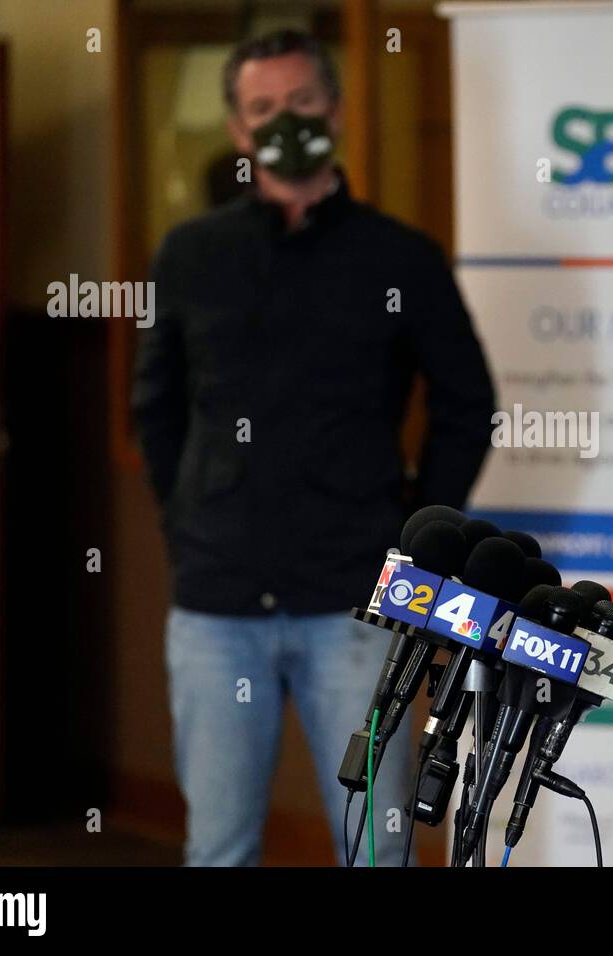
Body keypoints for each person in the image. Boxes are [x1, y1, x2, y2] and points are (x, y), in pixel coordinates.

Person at [132, 29, 495, 866]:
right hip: (217, 608)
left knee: (377, 848)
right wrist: (187, 520)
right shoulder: (192, 254)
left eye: (301, 103)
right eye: (263, 109)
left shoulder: (399, 257)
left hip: (359, 605)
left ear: (333, 108)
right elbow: (154, 408)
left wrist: (418, 546)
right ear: (236, 129)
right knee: (219, 847)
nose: (284, 123)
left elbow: (467, 403)